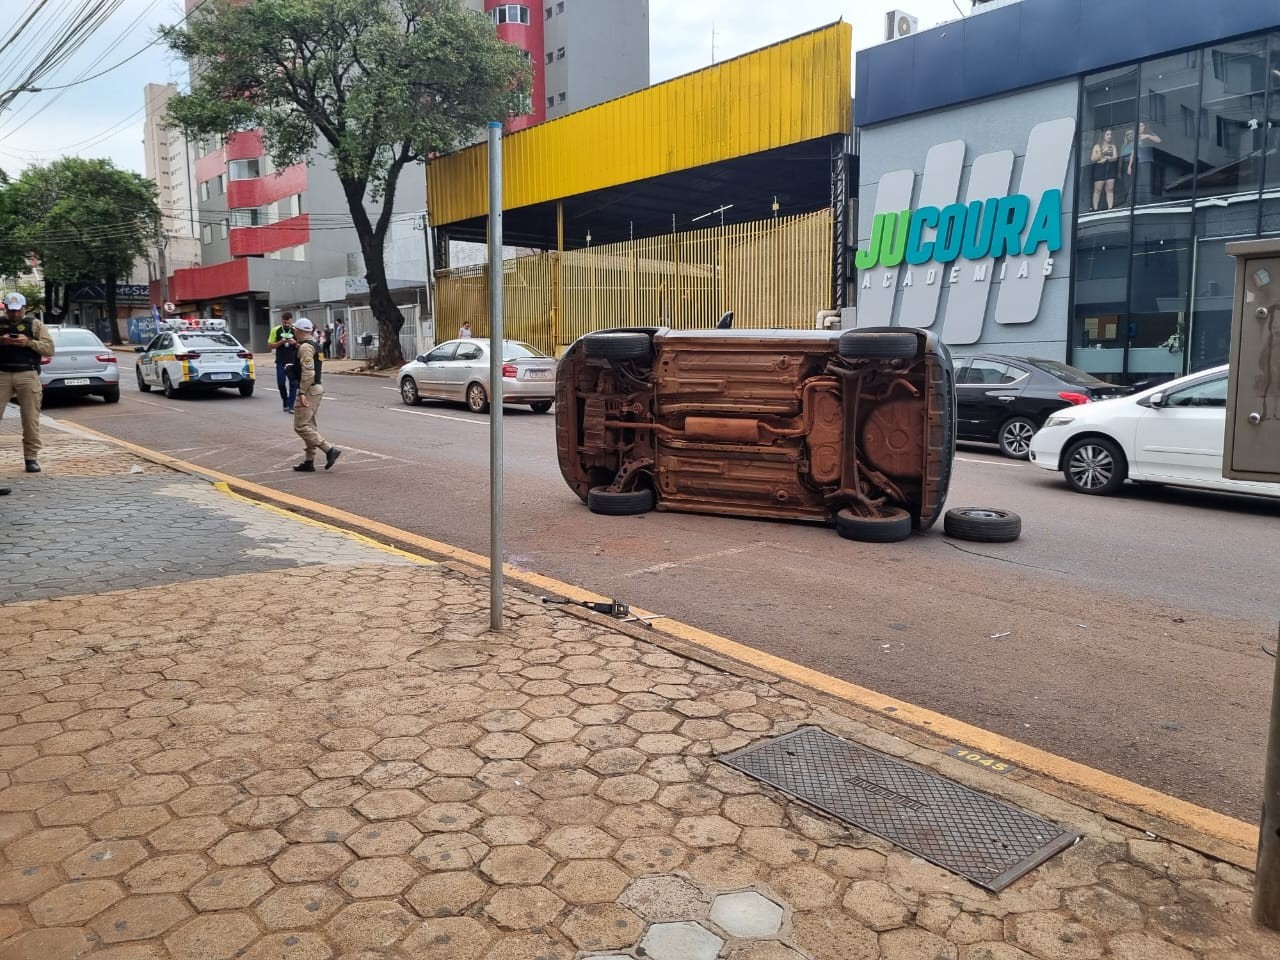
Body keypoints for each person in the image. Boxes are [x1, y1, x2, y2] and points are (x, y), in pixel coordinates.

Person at [0, 292, 54, 473]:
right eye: (10, 311)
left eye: (18, 311)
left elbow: (49, 349)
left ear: (24, 308)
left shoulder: (35, 324)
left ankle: (31, 458)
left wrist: (28, 342)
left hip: (27, 373)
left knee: (30, 419)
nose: (14, 315)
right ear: (5, 309)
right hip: (2, 373)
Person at [289, 318, 341, 472]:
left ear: (299, 330)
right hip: (317, 388)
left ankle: (329, 449)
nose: (294, 332)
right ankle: (309, 461)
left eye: (295, 330)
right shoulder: (315, 345)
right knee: (309, 425)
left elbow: (309, 372)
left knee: (301, 426)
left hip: (309, 389)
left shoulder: (305, 347)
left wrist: (302, 392)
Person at [268, 311, 299, 413]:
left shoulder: (295, 330)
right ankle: (285, 401)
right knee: (281, 383)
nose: (286, 324)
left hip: (292, 361)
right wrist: (280, 342)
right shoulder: (276, 330)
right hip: (281, 361)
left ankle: (291, 405)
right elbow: (270, 345)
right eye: (285, 323)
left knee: (293, 384)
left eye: (288, 323)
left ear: (291, 321)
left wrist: (295, 343)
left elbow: (301, 344)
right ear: (282, 320)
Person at [1134, 121, 1163, 204]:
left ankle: (1147, 201)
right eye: (1138, 126)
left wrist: (1148, 136)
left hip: (1146, 161)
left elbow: (1159, 140)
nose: (1140, 128)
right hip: (1137, 163)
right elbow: (1133, 151)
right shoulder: (1135, 136)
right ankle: (1138, 201)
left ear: (1145, 127)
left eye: (1142, 126)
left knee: (1146, 182)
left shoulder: (1148, 134)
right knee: (1138, 182)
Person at [1090, 128, 1119, 211]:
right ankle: (1095, 208)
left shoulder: (1113, 146)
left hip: (1110, 167)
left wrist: (1106, 158)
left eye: (1111, 134)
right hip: (1100, 168)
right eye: (1108, 134)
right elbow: (1093, 158)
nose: (1110, 136)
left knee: (1110, 188)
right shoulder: (1097, 146)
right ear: (1103, 136)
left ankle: (1110, 208)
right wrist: (1103, 152)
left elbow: (1115, 157)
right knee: (1098, 189)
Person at [1118, 128, 1135, 207]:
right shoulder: (1124, 146)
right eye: (1128, 134)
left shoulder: (1136, 143)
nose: (1130, 135)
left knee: (1133, 183)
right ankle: (1128, 201)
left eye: (1131, 133)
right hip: (1125, 166)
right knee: (1126, 184)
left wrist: (1130, 166)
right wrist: (1119, 171)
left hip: (1133, 165)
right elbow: (1120, 159)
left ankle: (1131, 201)